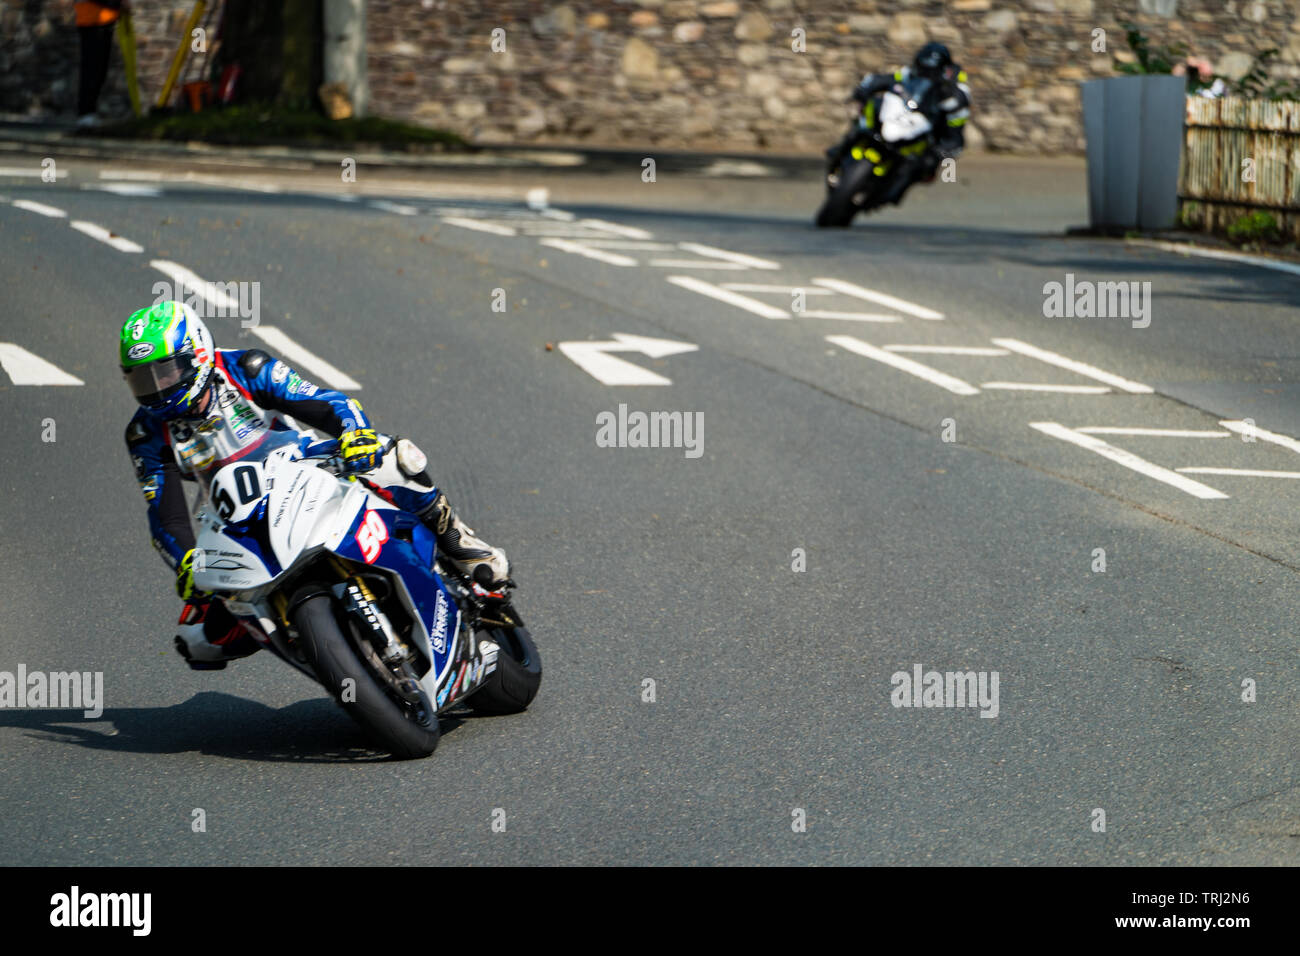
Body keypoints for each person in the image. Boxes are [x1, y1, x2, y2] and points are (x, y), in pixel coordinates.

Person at [120, 301, 510, 669]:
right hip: (237, 512)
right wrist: (185, 559)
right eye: (143, 380)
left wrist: (356, 434)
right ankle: (319, 649)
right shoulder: (146, 434)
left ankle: (463, 547)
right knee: (198, 638)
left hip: (303, 465)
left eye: (166, 372)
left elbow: (325, 402)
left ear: (198, 354)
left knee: (394, 458)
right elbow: (164, 515)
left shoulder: (247, 368)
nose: (158, 389)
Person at [825, 42, 972, 203]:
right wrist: (863, 91)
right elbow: (882, 80)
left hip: (929, 126)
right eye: (923, 68)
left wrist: (944, 150)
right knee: (866, 115)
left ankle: (898, 187)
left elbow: (956, 131)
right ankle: (842, 149)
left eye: (931, 70)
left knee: (927, 163)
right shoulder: (910, 73)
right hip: (903, 113)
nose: (925, 72)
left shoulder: (956, 88)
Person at [74, 0, 126, 126]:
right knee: (92, 68)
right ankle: (86, 112)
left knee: (99, 69)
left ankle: (90, 111)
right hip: (92, 21)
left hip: (103, 21)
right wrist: (117, 4)